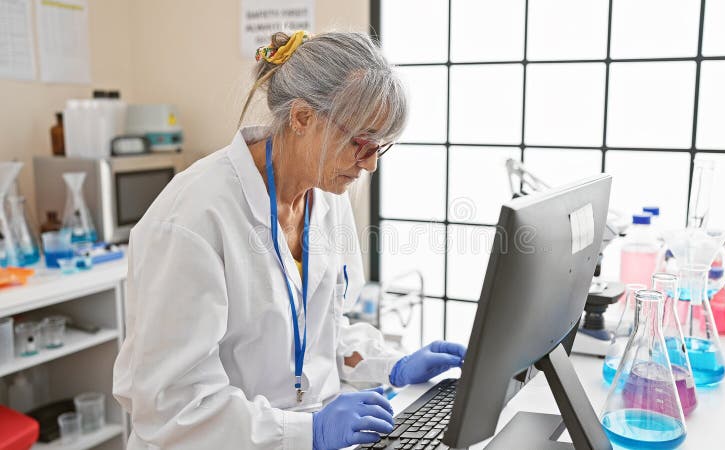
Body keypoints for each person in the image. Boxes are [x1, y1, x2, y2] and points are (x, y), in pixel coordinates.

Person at [112, 30, 466, 450]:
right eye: (361, 142)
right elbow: (171, 404)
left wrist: (392, 364)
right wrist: (306, 433)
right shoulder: (192, 219)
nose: (369, 165)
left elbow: (320, 330)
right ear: (301, 118)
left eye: (380, 147)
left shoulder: (325, 198)